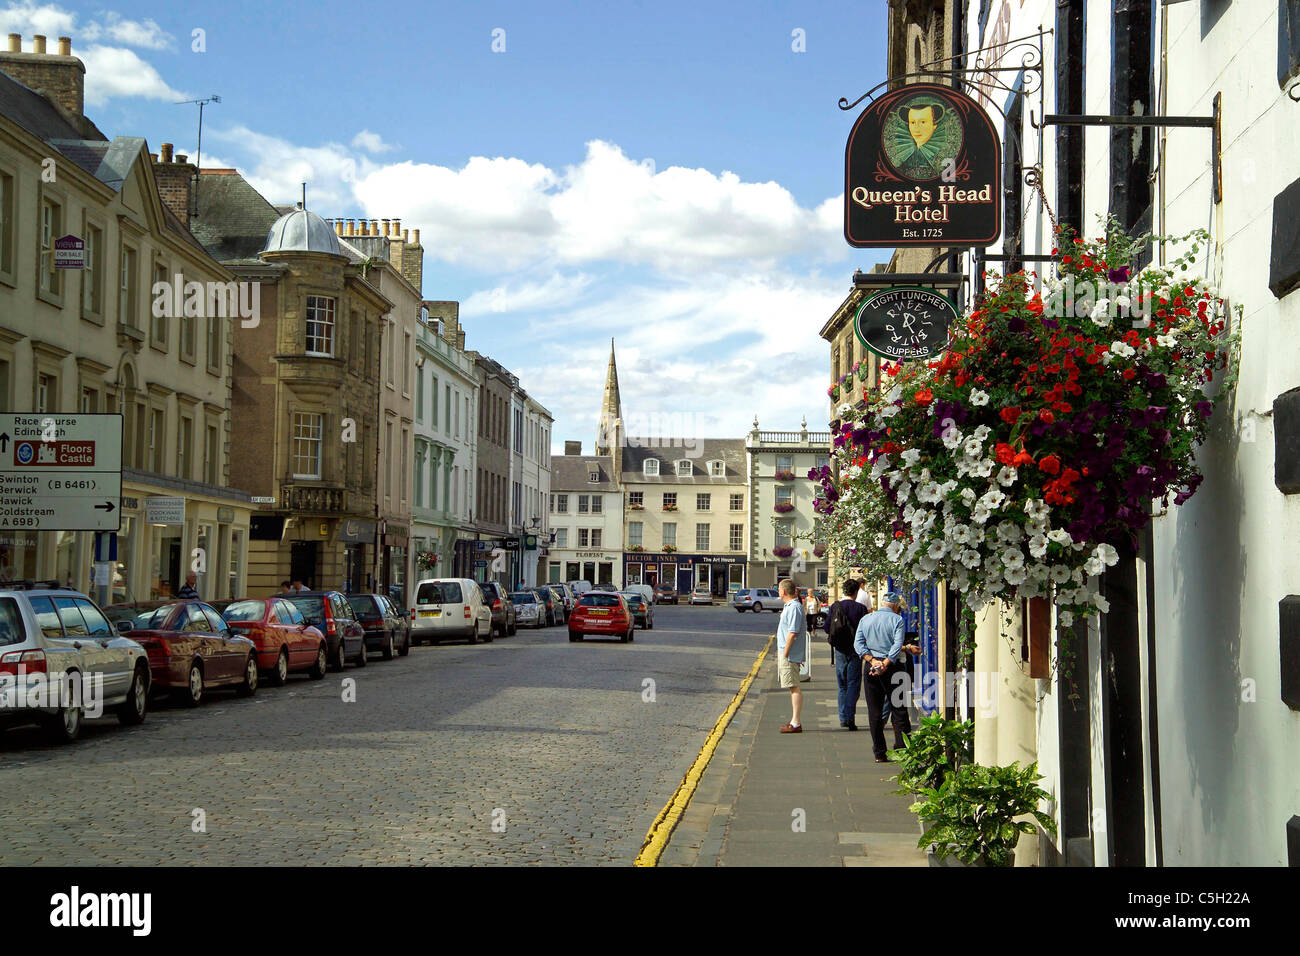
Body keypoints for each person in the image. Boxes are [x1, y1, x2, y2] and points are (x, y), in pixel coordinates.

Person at [854, 591, 912, 762]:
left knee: (875, 712)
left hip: (871, 668)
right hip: (893, 668)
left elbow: (858, 643)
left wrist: (872, 660)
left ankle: (879, 752)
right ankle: (901, 750)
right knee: (899, 709)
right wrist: (886, 663)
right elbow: (896, 644)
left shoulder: (866, 619)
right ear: (895, 606)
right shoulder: (897, 620)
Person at [825, 578, 870, 730]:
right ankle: (850, 717)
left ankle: (843, 717)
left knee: (842, 685)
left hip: (839, 649)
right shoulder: (861, 609)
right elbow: (865, 630)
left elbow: (827, 627)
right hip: (856, 650)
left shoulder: (835, 606)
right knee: (853, 684)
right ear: (856, 592)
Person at [776, 578, 807, 734]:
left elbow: (793, 632)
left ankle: (796, 722)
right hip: (790, 653)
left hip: (789, 654)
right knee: (792, 686)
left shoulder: (794, 607)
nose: (778, 592)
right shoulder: (791, 606)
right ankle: (794, 720)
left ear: (783, 591)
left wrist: (785, 653)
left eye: (779, 589)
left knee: (794, 687)